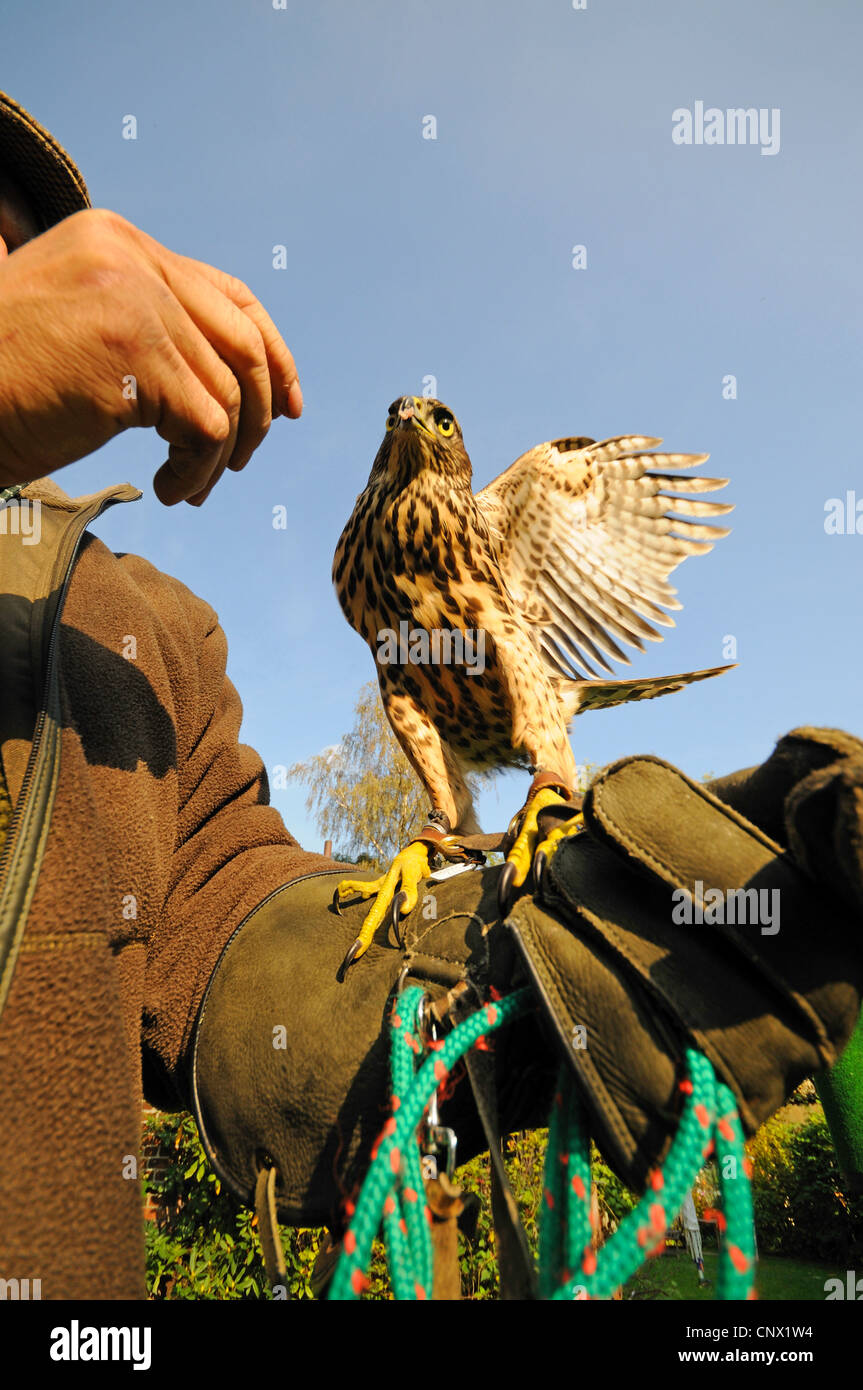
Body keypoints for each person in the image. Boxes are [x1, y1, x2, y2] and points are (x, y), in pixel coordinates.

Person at [1, 92, 861, 1302]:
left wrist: (469, 979)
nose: (415, 423)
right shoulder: (353, 554)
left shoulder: (141, 629)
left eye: (14, 247)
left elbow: (218, 930)